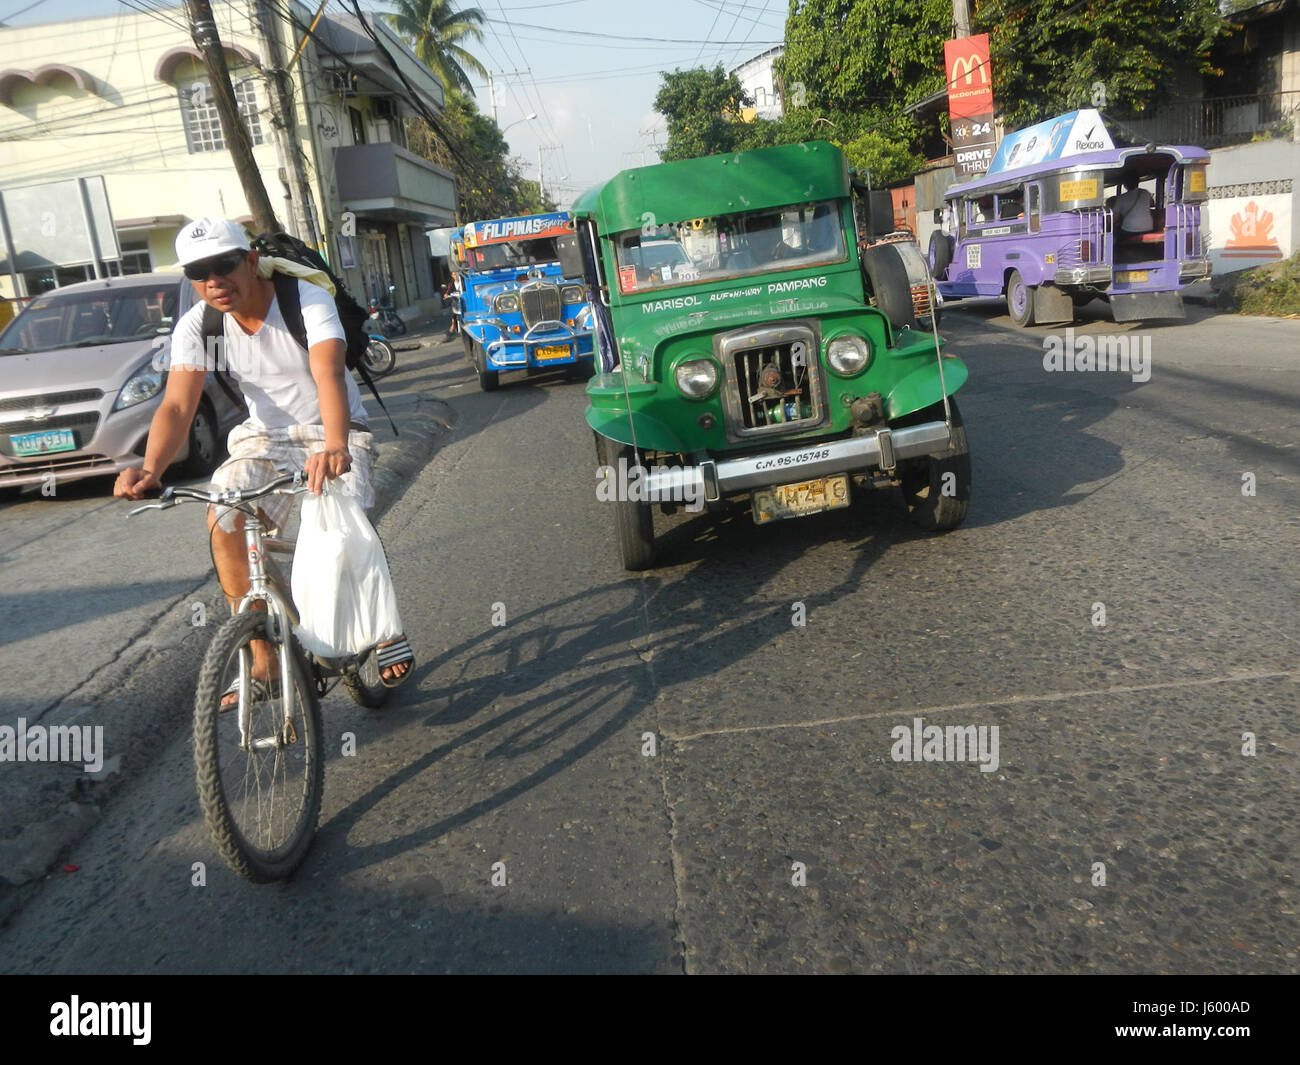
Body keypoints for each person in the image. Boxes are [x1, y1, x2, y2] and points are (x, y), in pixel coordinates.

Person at [113, 217, 414, 701]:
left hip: (335, 430)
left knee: (338, 525)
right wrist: (150, 469)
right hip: (264, 439)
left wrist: (335, 446)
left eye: (224, 264)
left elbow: (329, 375)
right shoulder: (201, 324)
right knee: (224, 517)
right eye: (199, 272)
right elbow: (175, 405)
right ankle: (266, 662)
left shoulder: (304, 299)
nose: (214, 280)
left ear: (251, 261)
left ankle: (383, 630)